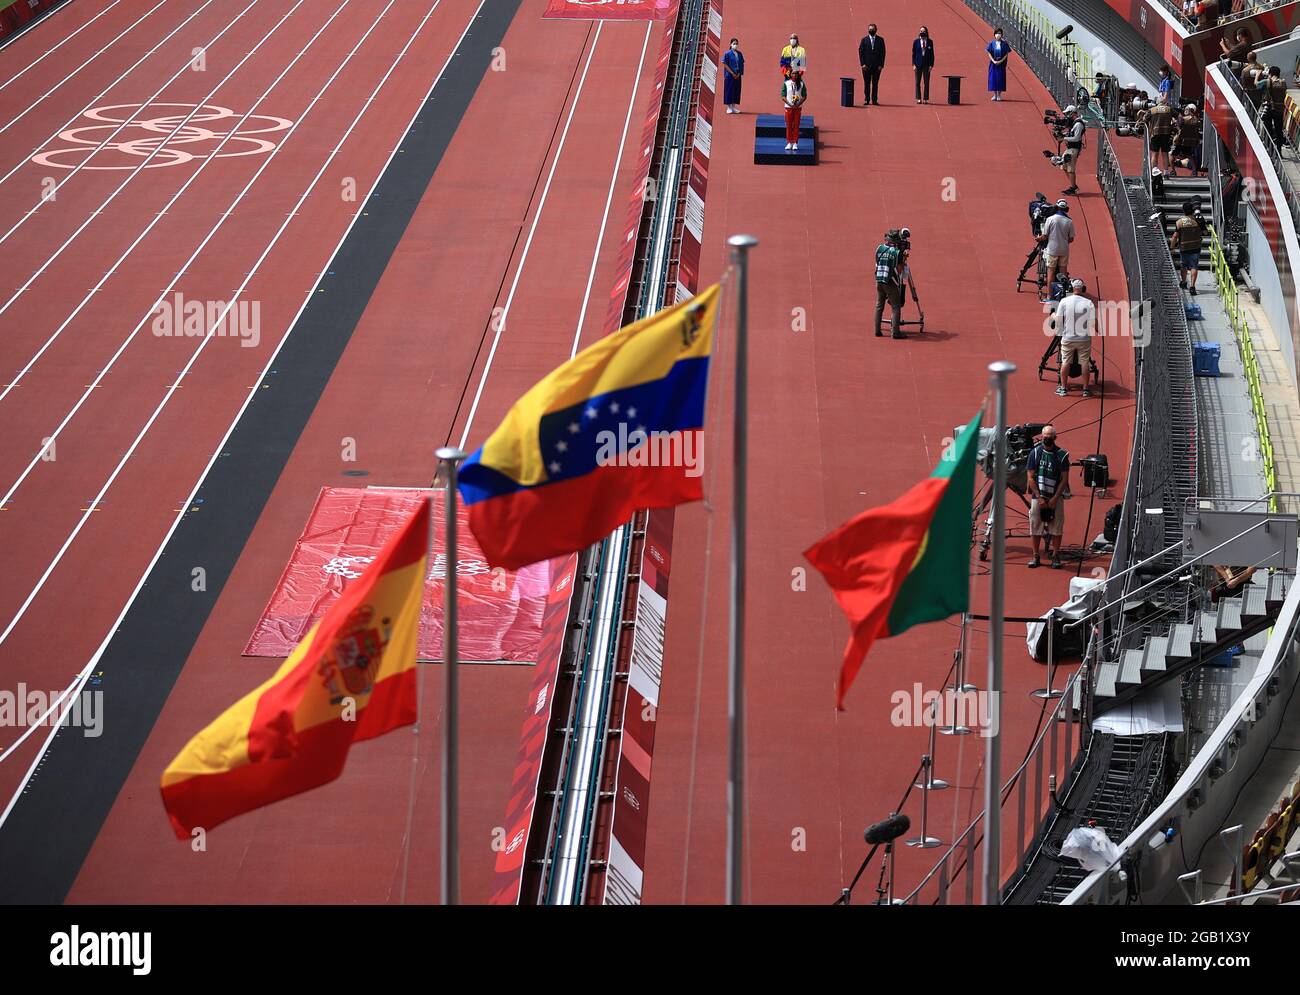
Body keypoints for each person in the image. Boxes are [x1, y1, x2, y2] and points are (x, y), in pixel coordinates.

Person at [1026, 425, 1070, 569]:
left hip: (1055, 497)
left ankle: (1055, 556)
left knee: (1057, 526)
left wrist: (1055, 498)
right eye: (1045, 437)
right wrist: (1039, 497)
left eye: (1049, 437)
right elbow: (1030, 477)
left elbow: (1064, 479)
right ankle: (1035, 556)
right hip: (1038, 496)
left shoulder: (1062, 455)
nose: (1047, 440)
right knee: (1035, 525)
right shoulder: (1035, 453)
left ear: (1054, 438)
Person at [1055, 279, 1096, 398]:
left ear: (1072, 288)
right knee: (1084, 362)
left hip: (1068, 338)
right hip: (1084, 339)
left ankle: (1063, 389)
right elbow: (1093, 322)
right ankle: (1085, 390)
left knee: (1066, 361)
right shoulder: (1089, 303)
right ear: (1083, 289)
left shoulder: (1064, 301)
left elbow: (1058, 322)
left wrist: (1052, 315)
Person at [874, 229, 905, 339]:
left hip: (879, 280)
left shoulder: (879, 248)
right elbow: (900, 270)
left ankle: (877, 330)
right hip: (890, 282)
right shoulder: (896, 252)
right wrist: (903, 260)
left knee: (879, 305)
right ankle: (895, 333)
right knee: (896, 307)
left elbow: (877, 263)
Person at [1171, 201, 1205, 294]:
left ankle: (1184, 282)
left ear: (1183, 211)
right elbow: (1205, 233)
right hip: (1196, 247)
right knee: (1194, 266)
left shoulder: (1179, 222)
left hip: (1184, 247)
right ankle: (1192, 287)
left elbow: (1175, 236)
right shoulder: (1198, 220)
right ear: (1193, 210)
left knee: (1184, 266)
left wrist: (1172, 247)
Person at [1040, 199, 1074, 289]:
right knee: (1063, 273)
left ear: (1057, 207)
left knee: (1051, 271)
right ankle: (1064, 292)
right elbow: (1071, 238)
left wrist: (1038, 238)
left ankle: (1050, 296)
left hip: (1052, 250)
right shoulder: (1069, 221)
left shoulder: (1050, 219)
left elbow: (1045, 236)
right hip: (1064, 249)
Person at [1260, 65, 1288, 150]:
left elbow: (1257, 85)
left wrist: (1257, 75)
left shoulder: (1267, 81)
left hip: (1269, 108)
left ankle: (1270, 149)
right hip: (1279, 108)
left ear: (1270, 73)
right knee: (1279, 130)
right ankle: (1279, 150)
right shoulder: (1283, 82)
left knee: (1268, 130)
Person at [1145, 93, 1174, 174]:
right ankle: (1166, 172)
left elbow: (1145, 119)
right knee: (1165, 153)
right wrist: (1176, 127)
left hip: (1155, 133)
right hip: (1166, 134)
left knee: (1155, 154)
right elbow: (1180, 118)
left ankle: (1154, 170)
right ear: (1164, 102)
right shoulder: (1169, 109)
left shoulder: (1153, 110)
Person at [1060, 105, 1085, 194]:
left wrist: (1064, 138)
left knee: (1070, 168)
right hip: (1070, 148)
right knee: (1064, 166)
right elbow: (1072, 133)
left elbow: (1077, 138)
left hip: (1074, 149)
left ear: (1072, 113)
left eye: (1068, 113)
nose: (1067, 115)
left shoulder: (1078, 124)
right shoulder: (1075, 123)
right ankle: (1073, 185)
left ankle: (1073, 188)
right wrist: (1065, 134)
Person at [1171, 104, 1201, 175]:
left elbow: (1178, 128)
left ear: (1190, 110)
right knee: (1190, 155)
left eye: (1186, 109)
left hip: (1180, 141)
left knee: (1171, 155)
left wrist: (1174, 122)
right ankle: (1194, 171)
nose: (1185, 110)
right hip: (1190, 141)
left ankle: (1173, 171)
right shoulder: (1197, 120)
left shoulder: (1182, 119)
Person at [859, 24, 885, 106]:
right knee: (867, 83)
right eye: (870, 29)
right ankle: (867, 99)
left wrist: (881, 65)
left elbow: (883, 53)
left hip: (877, 67)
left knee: (875, 83)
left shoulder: (880, 40)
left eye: (873, 29)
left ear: (876, 30)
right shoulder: (864, 40)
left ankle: (874, 100)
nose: (871, 30)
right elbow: (861, 52)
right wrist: (862, 64)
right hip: (866, 66)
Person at [781, 69, 807, 151]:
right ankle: (789, 142)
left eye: (796, 73)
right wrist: (789, 104)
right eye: (793, 73)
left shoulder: (802, 84)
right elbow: (783, 96)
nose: (794, 75)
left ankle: (795, 143)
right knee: (789, 125)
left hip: (797, 108)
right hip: (788, 108)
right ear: (790, 74)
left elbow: (804, 96)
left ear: (798, 75)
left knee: (796, 125)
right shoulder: (786, 83)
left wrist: (798, 104)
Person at [912, 26, 935, 104]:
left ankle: (925, 98)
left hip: (926, 65)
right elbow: (913, 54)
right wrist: (913, 64)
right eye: (921, 31)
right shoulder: (916, 42)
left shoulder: (930, 42)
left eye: (923, 31)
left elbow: (932, 54)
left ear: (926, 32)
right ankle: (918, 98)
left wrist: (931, 65)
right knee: (917, 82)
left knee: (926, 82)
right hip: (918, 64)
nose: (922, 32)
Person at [721, 37, 744, 113]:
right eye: (734, 44)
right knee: (729, 90)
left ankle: (734, 107)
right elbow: (725, 63)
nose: (735, 45)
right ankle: (729, 107)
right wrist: (732, 73)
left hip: (737, 75)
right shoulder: (727, 54)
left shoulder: (739, 54)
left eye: (736, 44)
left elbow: (741, 63)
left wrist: (739, 73)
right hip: (730, 75)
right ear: (730, 44)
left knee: (736, 90)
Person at [987, 28, 1010, 101]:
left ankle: (999, 95)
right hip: (993, 64)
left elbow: (1006, 54)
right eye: (997, 33)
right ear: (994, 35)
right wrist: (993, 61)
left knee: (1000, 79)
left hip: (1001, 64)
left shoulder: (1004, 44)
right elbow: (989, 52)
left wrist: (1001, 61)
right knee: (993, 79)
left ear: (1002, 35)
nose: (998, 35)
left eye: (1000, 33)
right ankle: (995, 95)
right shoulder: (992, 43)